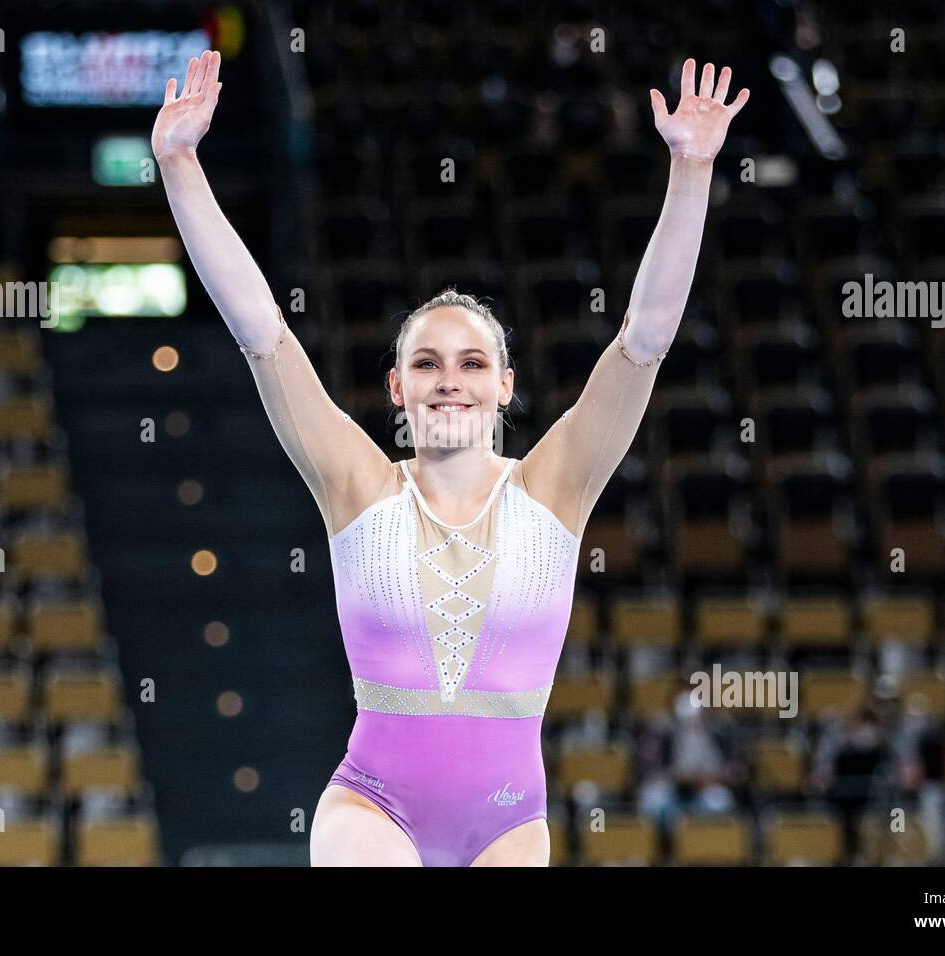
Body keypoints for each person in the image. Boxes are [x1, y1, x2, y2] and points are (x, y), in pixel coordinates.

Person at [153, 49, 749, 866]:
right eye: (426, 365)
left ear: (505, 386)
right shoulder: (357, 486)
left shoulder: (557, 488)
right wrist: (180, 165)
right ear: (396, 387)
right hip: (372, 807)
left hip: (509, 823)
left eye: (472, 365)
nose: (449, 383)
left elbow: (642, 340)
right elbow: (262, 332)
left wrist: (690, 171)